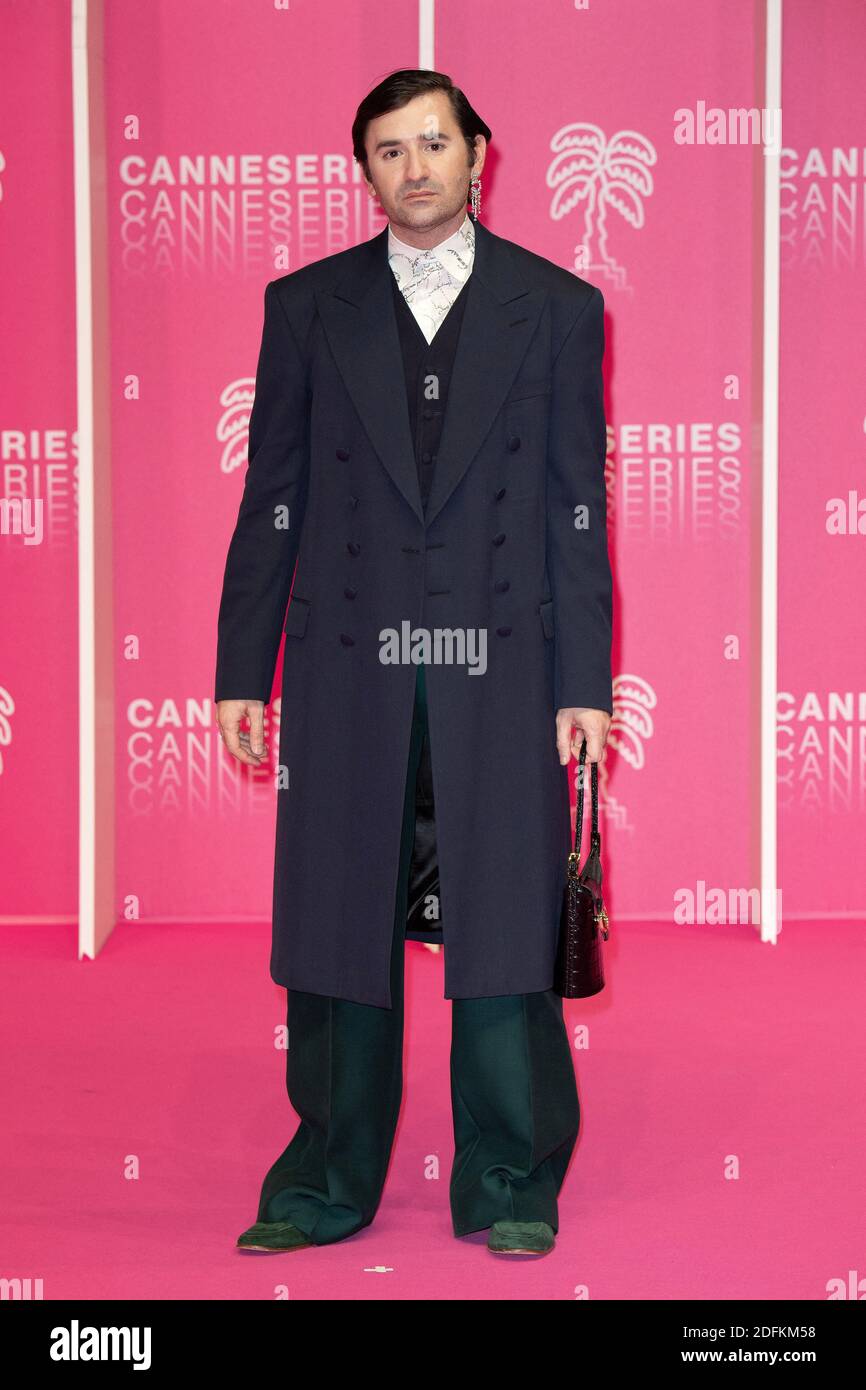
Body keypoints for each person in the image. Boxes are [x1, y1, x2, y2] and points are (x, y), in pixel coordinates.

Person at [214, 68, 613, 1258]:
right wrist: (244, 667)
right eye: (388, 151)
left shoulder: (556, 305)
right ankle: (325, 1172)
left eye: (433, 143)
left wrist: (583, 682)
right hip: (345, 661)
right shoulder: (306, 306)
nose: (415, 167)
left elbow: (572, 506)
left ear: (479, 152)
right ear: (365, 170)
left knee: (499, 925)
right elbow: (270, 498)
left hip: (504, 660)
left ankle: (506, 1177)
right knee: (336, 925)